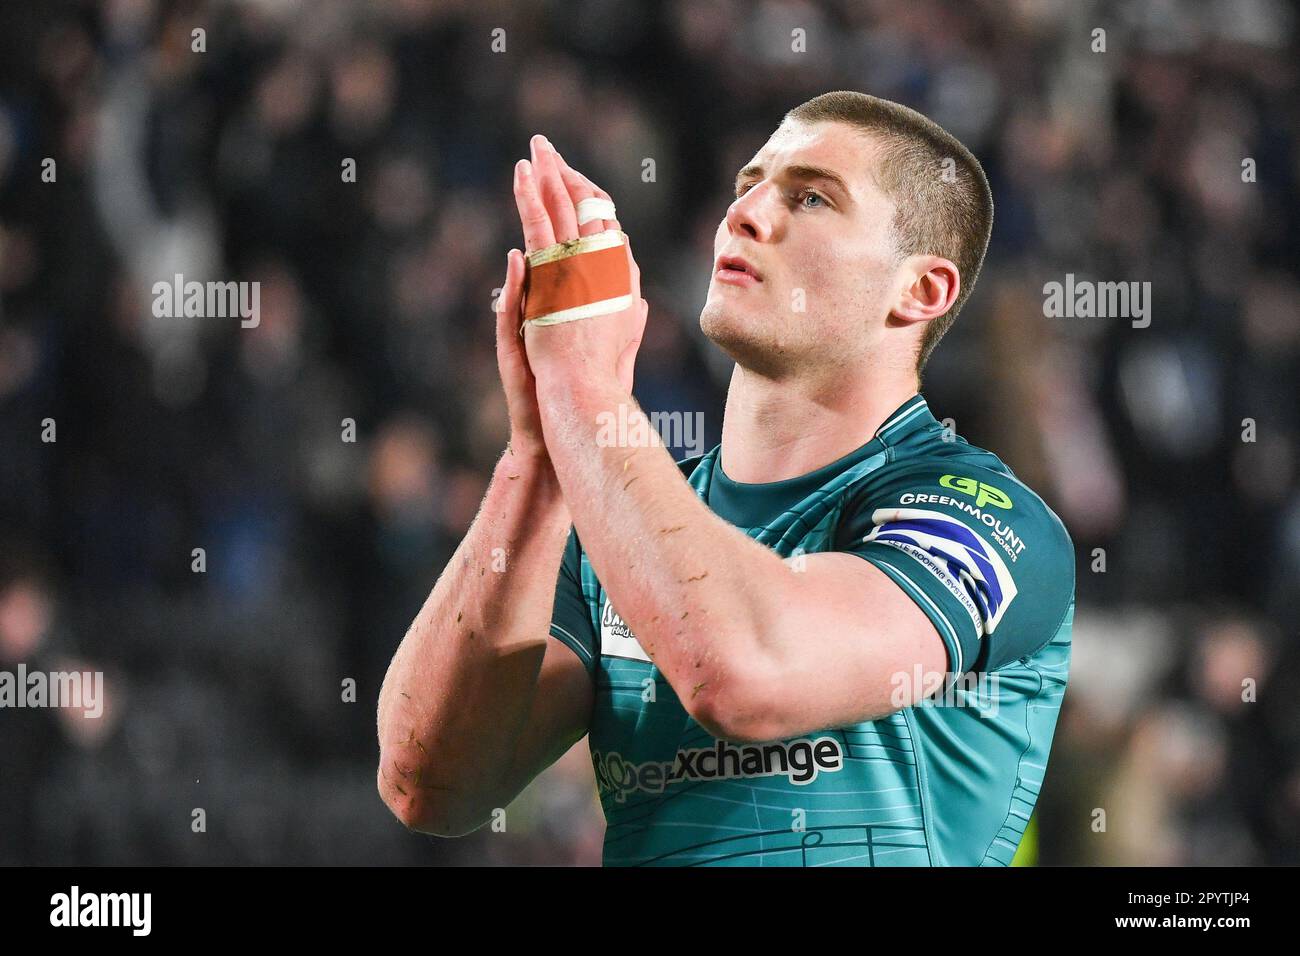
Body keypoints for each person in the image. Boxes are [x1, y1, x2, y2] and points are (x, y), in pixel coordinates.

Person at [377, 90, 1075, 866]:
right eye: (748, 185)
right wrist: (540, 457)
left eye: (811, 197)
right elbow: (430, 786)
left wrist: (589, 393)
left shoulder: (984, 517)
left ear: (920, 290)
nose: (743, 214)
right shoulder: (612, 526)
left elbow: (745, 676)